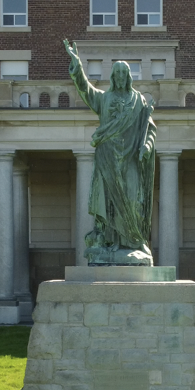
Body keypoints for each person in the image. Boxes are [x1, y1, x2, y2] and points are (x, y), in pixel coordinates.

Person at [63, 39, 158, 265]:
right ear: (113, 77)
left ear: (129, 76)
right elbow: (85, 89)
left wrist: (146, 146)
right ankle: (109, 242)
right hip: (107, 158)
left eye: (124, 73)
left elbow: (150, 129)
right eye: (117, 73)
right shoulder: (104, 99)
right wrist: (77, 65)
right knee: (109, 204)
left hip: (131, 158)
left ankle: (134, 242)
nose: (121, 77)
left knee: (134, 201)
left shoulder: (139, 101)